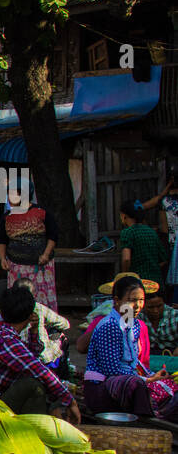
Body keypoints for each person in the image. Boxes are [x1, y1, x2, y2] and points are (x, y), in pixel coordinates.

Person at [0, 281, 79, 419]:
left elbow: (30, 358)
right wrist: (70, 401)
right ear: (29, 315)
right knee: (34, 385)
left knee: (35, 379)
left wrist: (33, 331)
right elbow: (40, 370)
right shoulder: (7, 341)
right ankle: (36, 428)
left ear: (1, 312)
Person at [83, 274, 178, 420]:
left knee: (167, 384)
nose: (138, 305)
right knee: (135, 383)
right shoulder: (110, 326)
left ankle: (159, 415)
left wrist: (152, 375)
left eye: (141, 300)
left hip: (128, 380)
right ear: (117, 301)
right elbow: (112, 370)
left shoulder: (135, 326)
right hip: (101, 387)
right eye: (132, 300)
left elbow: (135, 363)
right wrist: (146, 380)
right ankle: (146, 420)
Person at [0, 187, 58, 311]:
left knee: (41, 299)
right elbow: (2, 240)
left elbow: (53, 235)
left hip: (41, 266)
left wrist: (45, 254)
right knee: (19, 300)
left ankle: (45, 325)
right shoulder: (7, 217)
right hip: (16, 266)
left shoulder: (41, 212)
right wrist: (2, 258)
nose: (9, 198)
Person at [141, 171, 178, 300]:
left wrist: (166, 189)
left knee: (171, 279)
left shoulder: (165, 201)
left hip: (171, 245)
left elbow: (164, 229)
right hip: (173, 245)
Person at [119, 199, 165, 286]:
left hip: (137, 283)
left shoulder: (127, 232)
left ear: (123, 216)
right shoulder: (152, 232)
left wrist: (125, 277)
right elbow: (163, 259)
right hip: (155, 282)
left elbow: (126, 259)